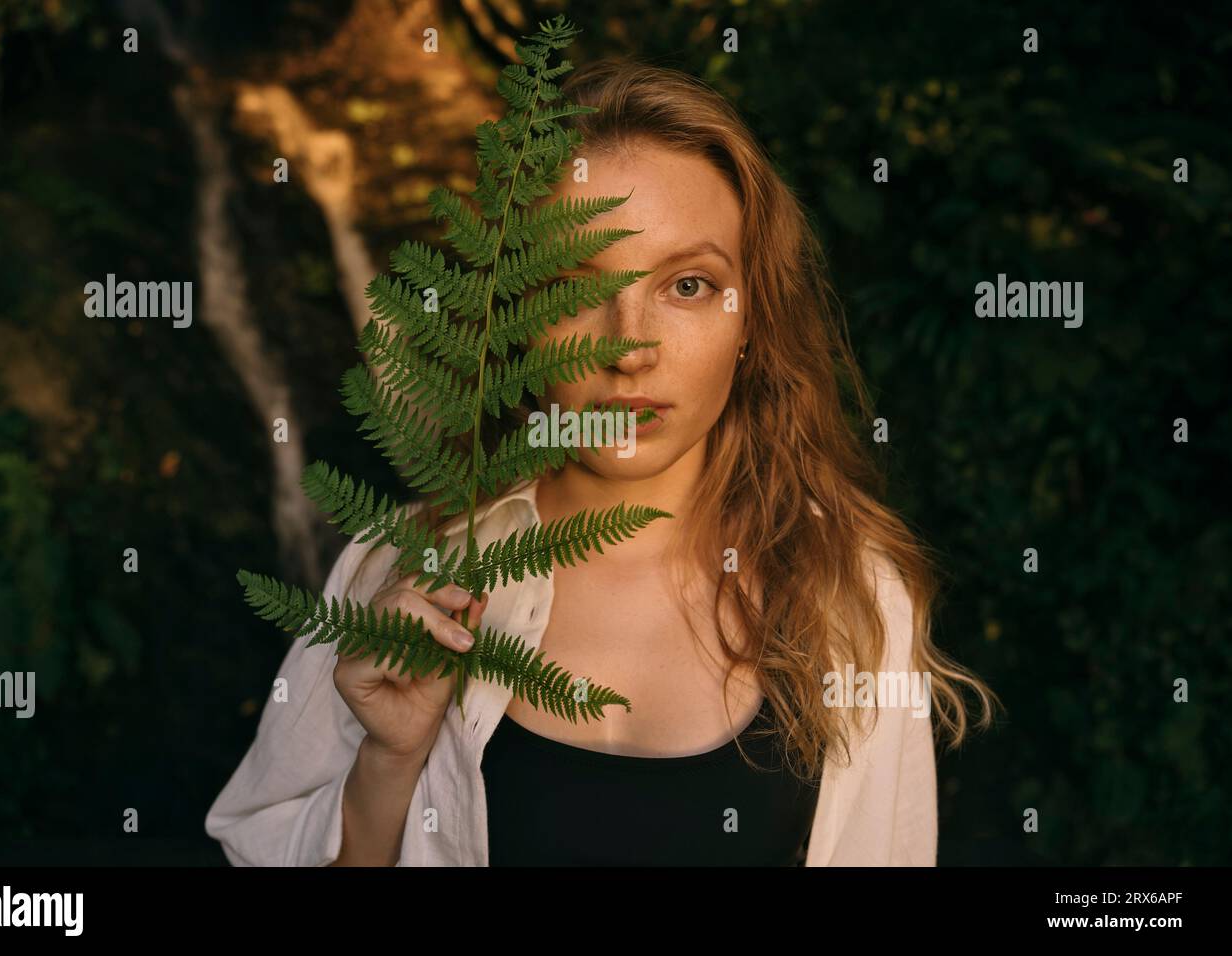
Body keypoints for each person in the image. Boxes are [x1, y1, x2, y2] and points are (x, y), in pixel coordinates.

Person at [205, 57, 997, 867]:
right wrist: (388, 763)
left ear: (753, 315)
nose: (630, 348)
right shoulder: (402, 564)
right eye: (574, 287)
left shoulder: (851, 594)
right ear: (517, 318)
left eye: (687, 285)